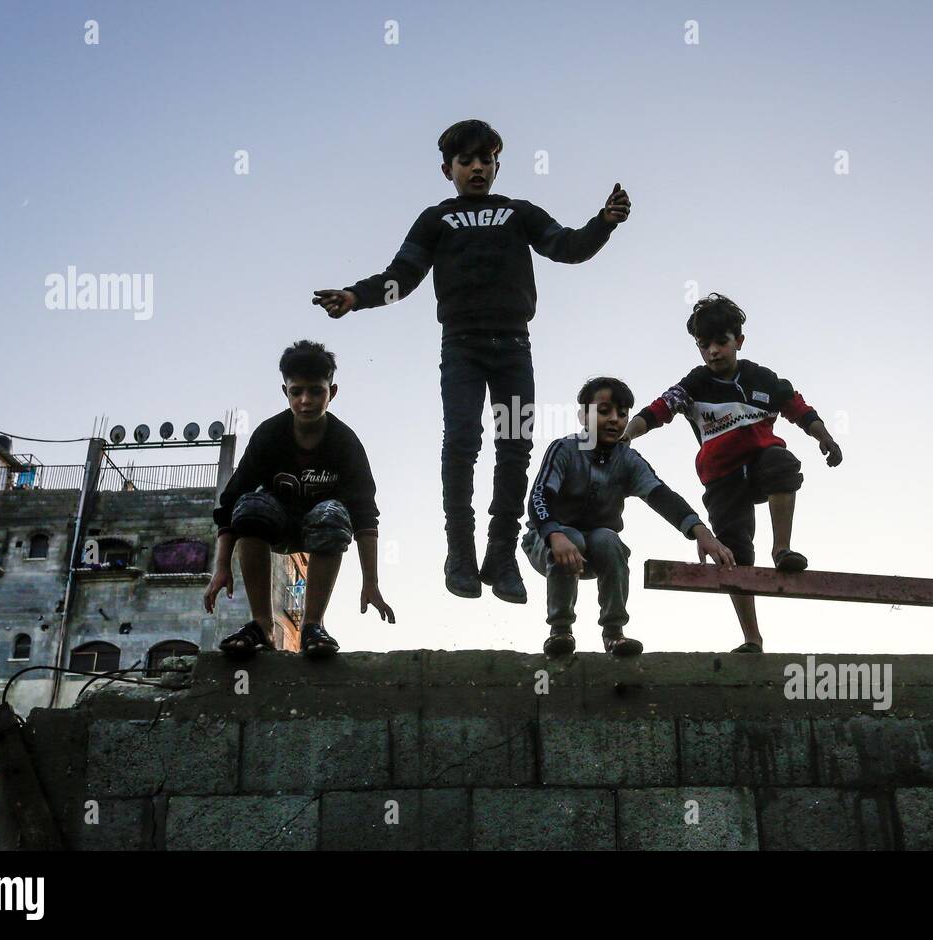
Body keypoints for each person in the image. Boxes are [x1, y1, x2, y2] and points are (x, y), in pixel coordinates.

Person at [312, 118, 631, 605]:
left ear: (497, 165)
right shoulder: (436, 219)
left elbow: (567, 247)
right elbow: (403, 275)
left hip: (514, 347)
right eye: (467, 161)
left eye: (487, 160)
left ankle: (499, 555)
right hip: (461, 346)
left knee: (514, 444)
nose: (477, 168)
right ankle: (459, 552)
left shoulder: (518, 212)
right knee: (462, 441)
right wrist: (356, 295)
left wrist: (603, 222)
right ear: (448, 170)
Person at [623, 293, 843, 653]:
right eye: (704, 345)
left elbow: (798, 407)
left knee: (781, 462)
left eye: (721, 343)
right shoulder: (694, 384)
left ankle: (782, 548)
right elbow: (658, 410)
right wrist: (625, 437)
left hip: (760, 465)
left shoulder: (761, 378)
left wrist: (826, 438)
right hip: (722, 477)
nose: (713, 352)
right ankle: (752, 638)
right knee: (735, 552)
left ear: (738, 341)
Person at [204, 340, 395, 658]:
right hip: (274, 525)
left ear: (331, 392)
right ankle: (262, 625)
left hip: (321, 529)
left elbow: (365, 516)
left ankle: (312, 625)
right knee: (249, 505)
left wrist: (371, 583)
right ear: (285, 392)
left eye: (316, 391)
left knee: (334, 512)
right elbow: (230, 503)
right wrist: (221, 566)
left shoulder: (345, 443)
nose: (306, 401)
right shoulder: (269, 435)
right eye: (297, 392)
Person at [523, 377, 735, 657]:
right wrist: (554, 534)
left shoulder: (627, 459)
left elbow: (662, 496)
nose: (614, 420)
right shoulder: (565, 449)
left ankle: (614, 634)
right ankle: (560, 630)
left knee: (608, 539)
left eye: (622, 414)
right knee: (572, 535)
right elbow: (538, 496)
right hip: (549, 542)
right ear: (582, 416)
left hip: (596, 549)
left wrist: (701, 532)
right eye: (604, 411)